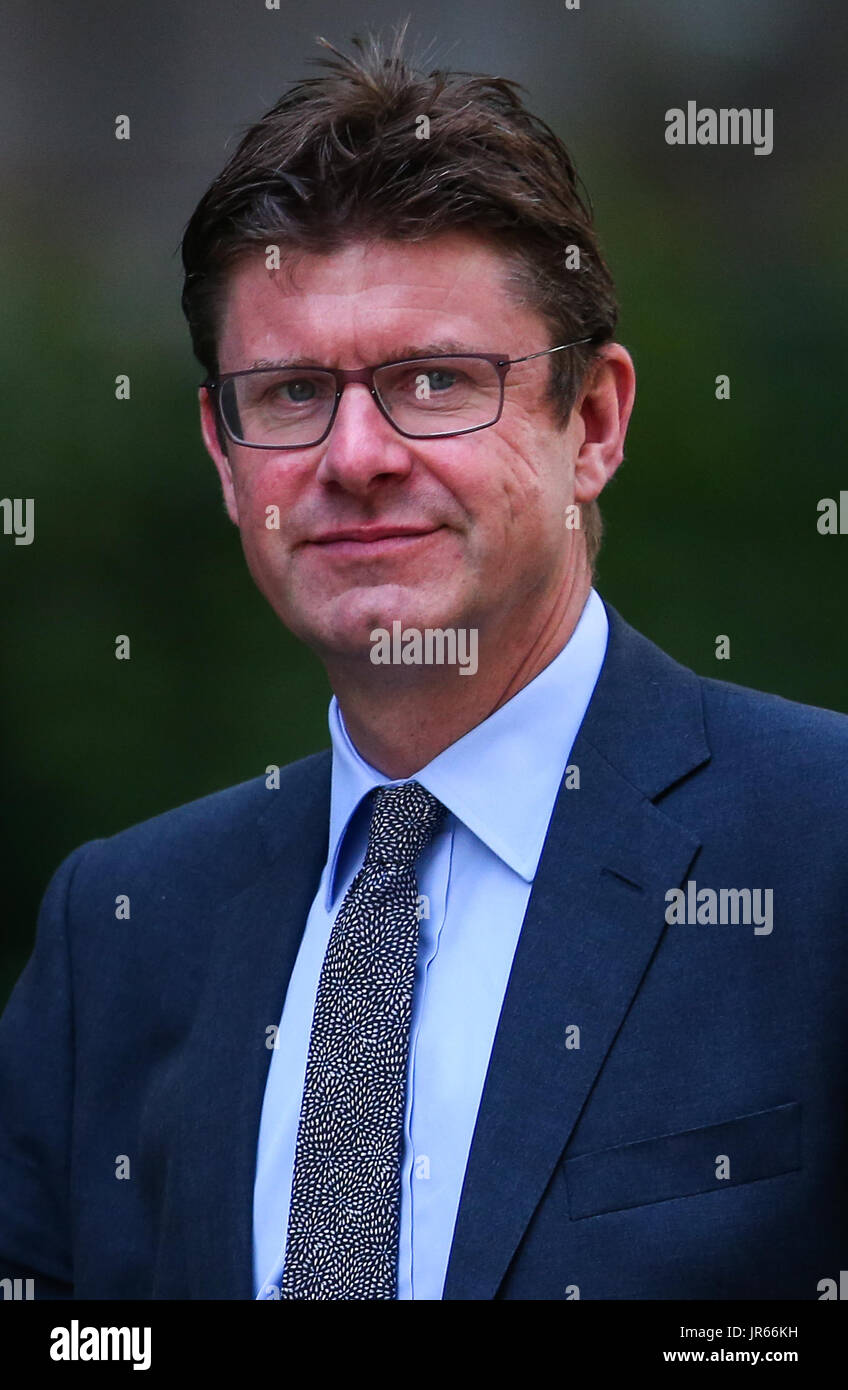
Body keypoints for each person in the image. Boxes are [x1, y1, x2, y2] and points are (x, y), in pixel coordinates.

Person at [0, 30, 845, 1302]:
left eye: (434, 380)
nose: (354, 456)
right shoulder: (120, 930)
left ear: (595, 422)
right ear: (226, 460)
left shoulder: (819, 850)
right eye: (288, 394)